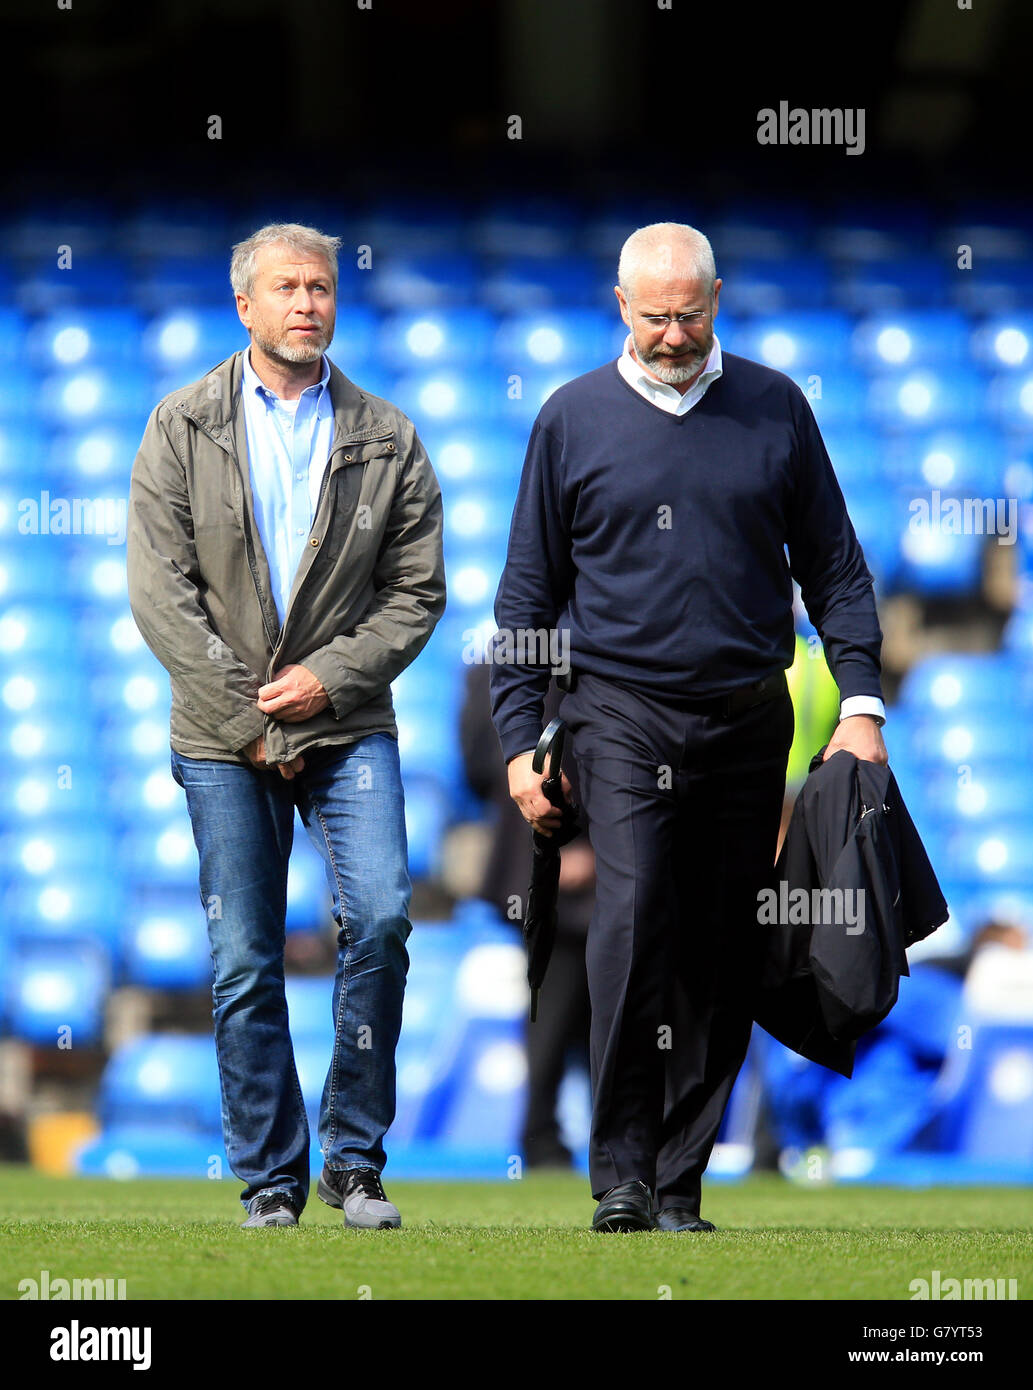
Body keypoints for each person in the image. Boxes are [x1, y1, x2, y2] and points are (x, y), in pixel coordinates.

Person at [489, 222, 888, 1233]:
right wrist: (514, 739)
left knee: (722, 941)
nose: (672, 332)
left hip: (748, 716)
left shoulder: (777, 409)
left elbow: (834, 568)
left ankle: (678, 1179)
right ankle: (619, 1168)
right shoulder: (570, 417)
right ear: (619, 305)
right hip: (618, 713)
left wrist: (860, 706)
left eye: (689, 312)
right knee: (630, 920)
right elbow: (528, 597)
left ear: (716, 297)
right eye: (654, 314)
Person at [127, 223, 446, 1228]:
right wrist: (247, 712)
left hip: (348, 721)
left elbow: (417, 591)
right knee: (243, 956)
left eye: (321, 286)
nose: (309, 302)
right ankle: (271, 1177)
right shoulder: (179, 424)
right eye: (287, 288)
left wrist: (325, 681)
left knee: (385, 916)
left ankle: (353, 1162)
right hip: (221, 736)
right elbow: (159, 593)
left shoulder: (387, 435)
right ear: (245, 307)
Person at [460, 661, 593, 1169]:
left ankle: (547, 1134)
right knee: (570, 1007)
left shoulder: (490, 669)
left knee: (554, 1007)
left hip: (529, 859)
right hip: (570, 862)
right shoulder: (594, 651)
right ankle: (551, 1135)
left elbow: (479, 769)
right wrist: (584, 843)